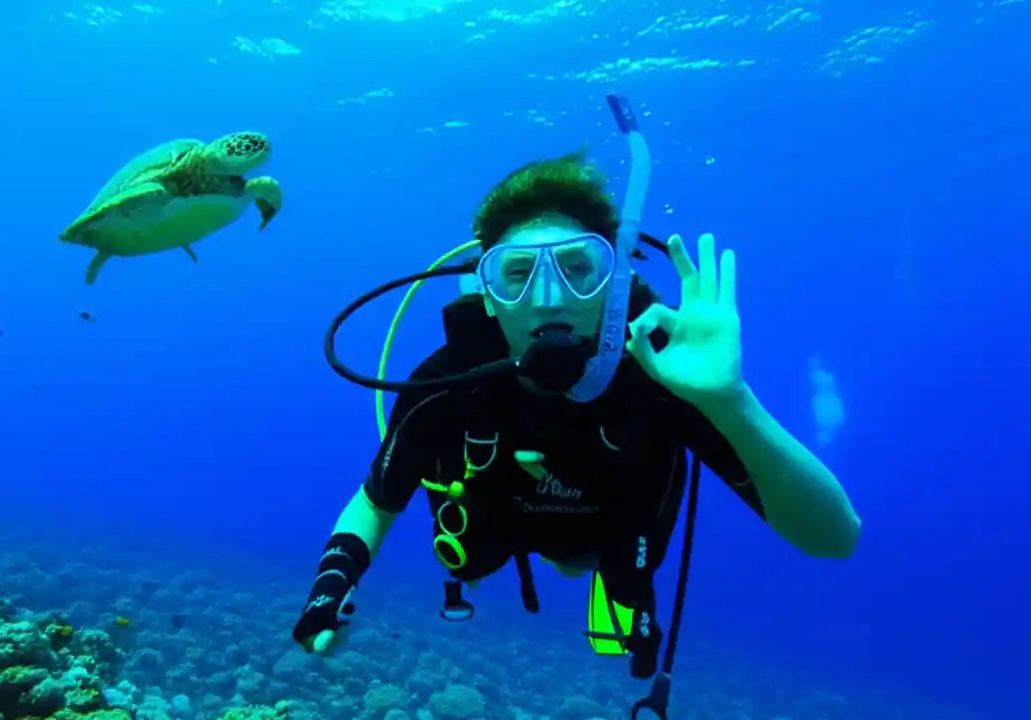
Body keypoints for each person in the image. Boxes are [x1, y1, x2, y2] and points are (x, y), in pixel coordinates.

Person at [295, 106, 861, 712]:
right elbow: (377, 500)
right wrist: (332, 584)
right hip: (495, 528)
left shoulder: (663, 377)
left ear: (614, 283)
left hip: (609, 539)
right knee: (473, 556)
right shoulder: (446, 382)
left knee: (597, 567)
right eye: (515, 275)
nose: (546, 299)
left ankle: (601, 580)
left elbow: (835, 539)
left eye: (577, 269)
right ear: (487, 295)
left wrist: (732, 402)